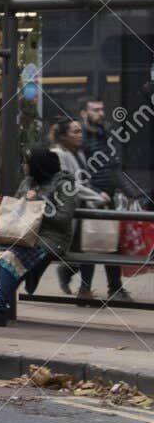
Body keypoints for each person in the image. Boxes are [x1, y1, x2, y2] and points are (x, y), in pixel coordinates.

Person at [0, 148, 79, 325]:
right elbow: (18, 207)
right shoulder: (28, 181)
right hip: (23, 235)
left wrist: (39, 201)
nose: (24, 166)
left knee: (10, 257)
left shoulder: (65, 185)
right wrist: (24, 199)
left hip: (52, 239)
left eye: (27, 163)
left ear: (38, 166)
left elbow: (64, 219)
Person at [71, 98, 132, 302]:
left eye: (102, 109)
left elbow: (114, 168)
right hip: (92, 199)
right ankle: (87, 289)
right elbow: (78, 172)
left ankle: (113, 288)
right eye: (95, 109)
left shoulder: (105, 134)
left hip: (108, 197)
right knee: (93, 243)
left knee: (110, 243)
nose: (100, 112)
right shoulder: (81, 139)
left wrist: (131, 193)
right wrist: (94, 192)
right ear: (84, 113)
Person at [51, 117, 113, 302]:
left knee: (87, 250)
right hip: (66, 213)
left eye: (80, 131)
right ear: (63, 136)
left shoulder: (77, 153)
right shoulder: (58, 154)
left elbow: (83, 182)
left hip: (81, 209)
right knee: (60, 252)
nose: (80, 135)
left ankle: (84, 289)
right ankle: (66, 272)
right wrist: (96, 196)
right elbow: (70, 184)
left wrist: (97, 194)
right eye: (75, 131)